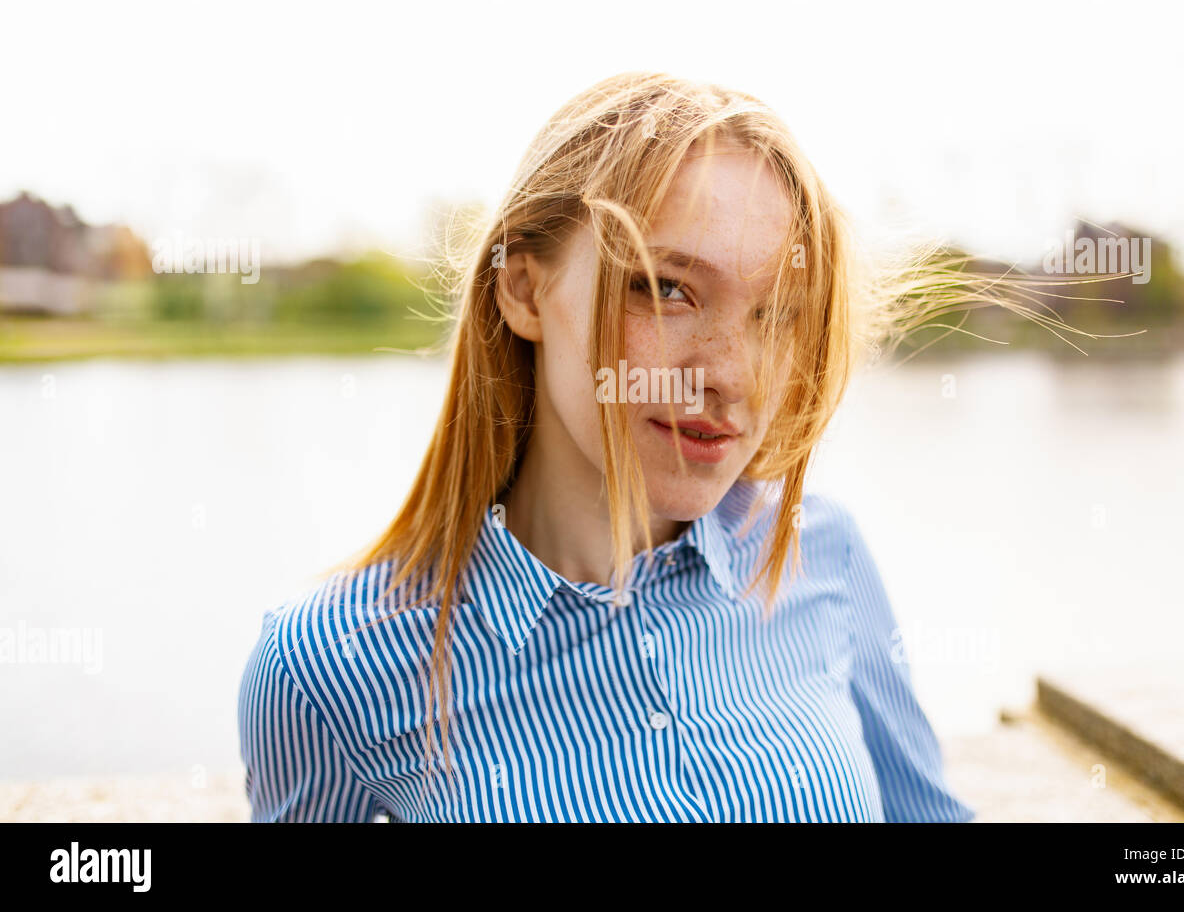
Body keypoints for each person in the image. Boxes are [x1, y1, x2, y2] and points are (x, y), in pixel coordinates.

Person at [238, 72, 979, 822]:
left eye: (776, 314)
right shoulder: (328, 670)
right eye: (665, 289)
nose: (731, 376)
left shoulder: (822, 554)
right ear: (524, 291)